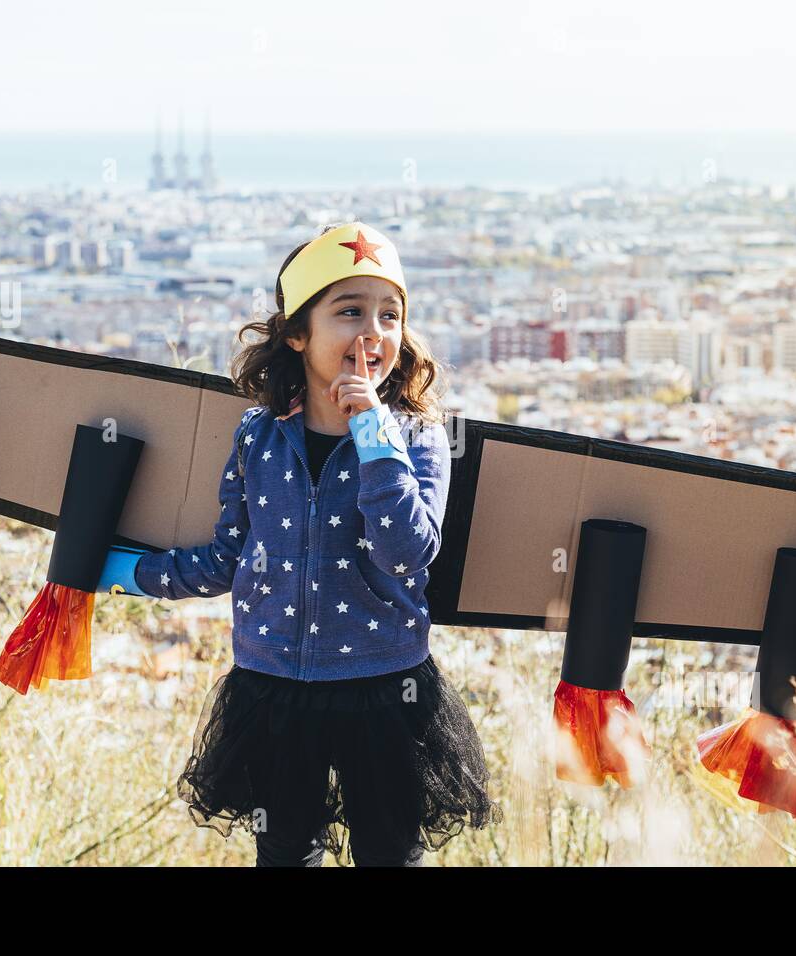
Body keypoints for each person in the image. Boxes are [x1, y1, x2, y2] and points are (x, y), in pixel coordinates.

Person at [97, 221, 501, 866]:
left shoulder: (416, 436)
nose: (373, 332)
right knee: (284, 854)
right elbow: (227, 558)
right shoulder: (258, 436)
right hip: (273, 688)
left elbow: (407, 551)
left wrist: (373, 435)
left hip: (385, 687)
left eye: (390, 315)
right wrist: (121, 572)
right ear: (296, 333)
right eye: (350, 311)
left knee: (390, 854)